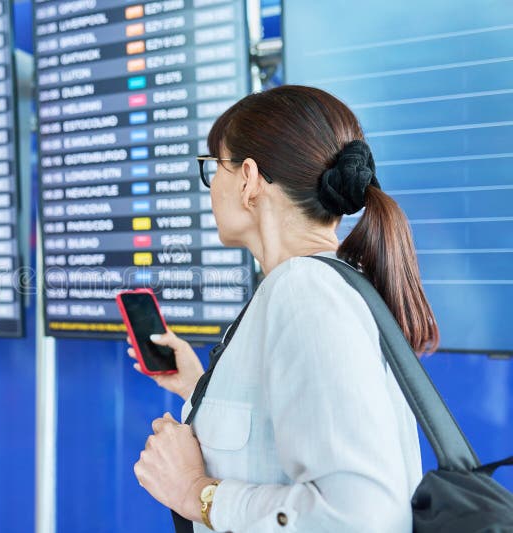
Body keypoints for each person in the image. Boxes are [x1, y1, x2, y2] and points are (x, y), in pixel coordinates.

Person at [129, 85, 438, 532]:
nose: (211, 185)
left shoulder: (305, 291)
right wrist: (198, 387)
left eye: (214, 167)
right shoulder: (318, 284)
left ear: (249, 179)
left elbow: (360, 516)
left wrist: (194, 491)